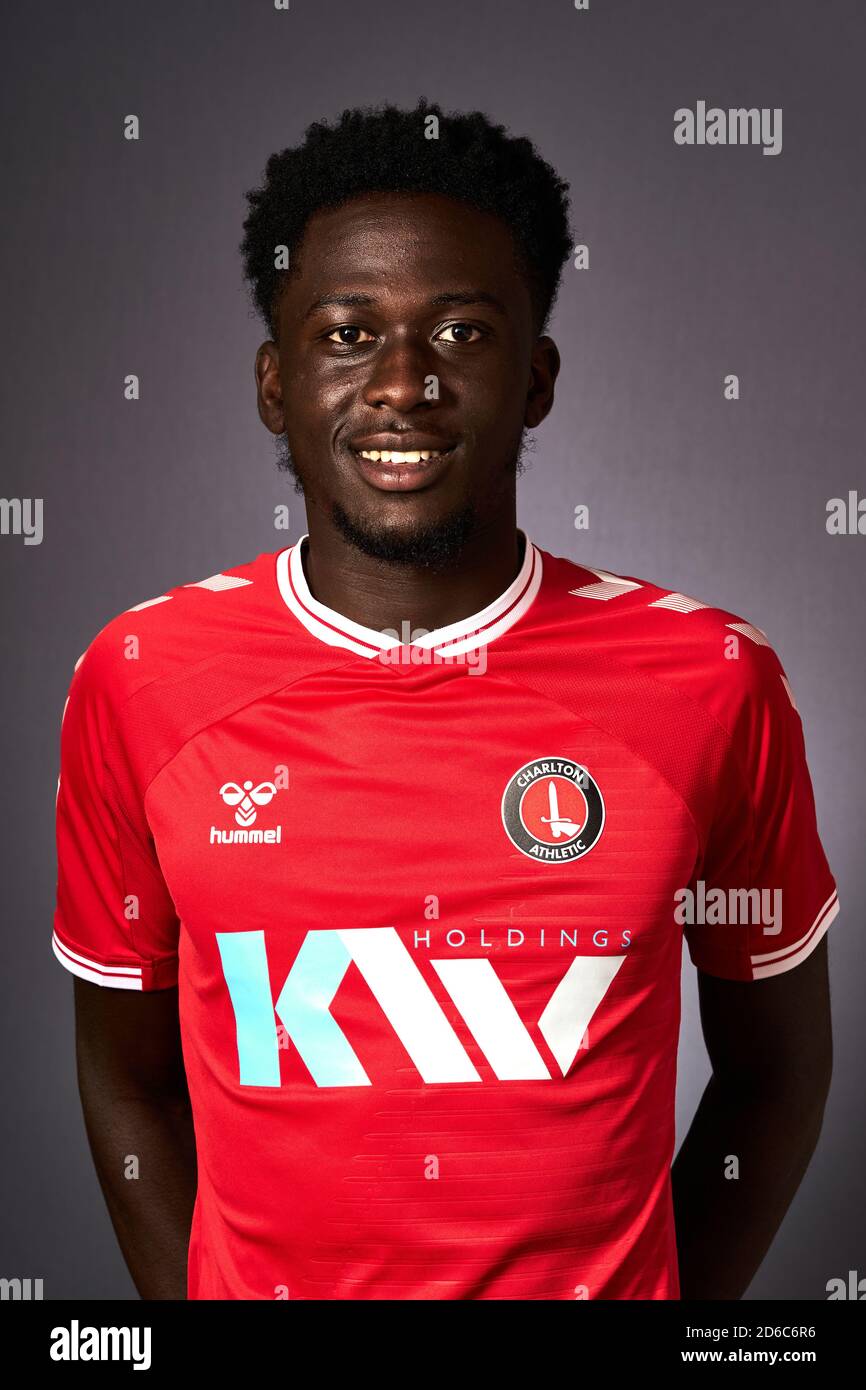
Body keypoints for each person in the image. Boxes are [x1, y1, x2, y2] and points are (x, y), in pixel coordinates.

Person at [53, 100, 838, 1301]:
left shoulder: (712, 681)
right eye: (347, 333)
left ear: (534, 378)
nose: (403, 385)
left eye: (461, 333)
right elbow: (127, 1077)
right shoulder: (140, 676)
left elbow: (775, 1080)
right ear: (277, 383)